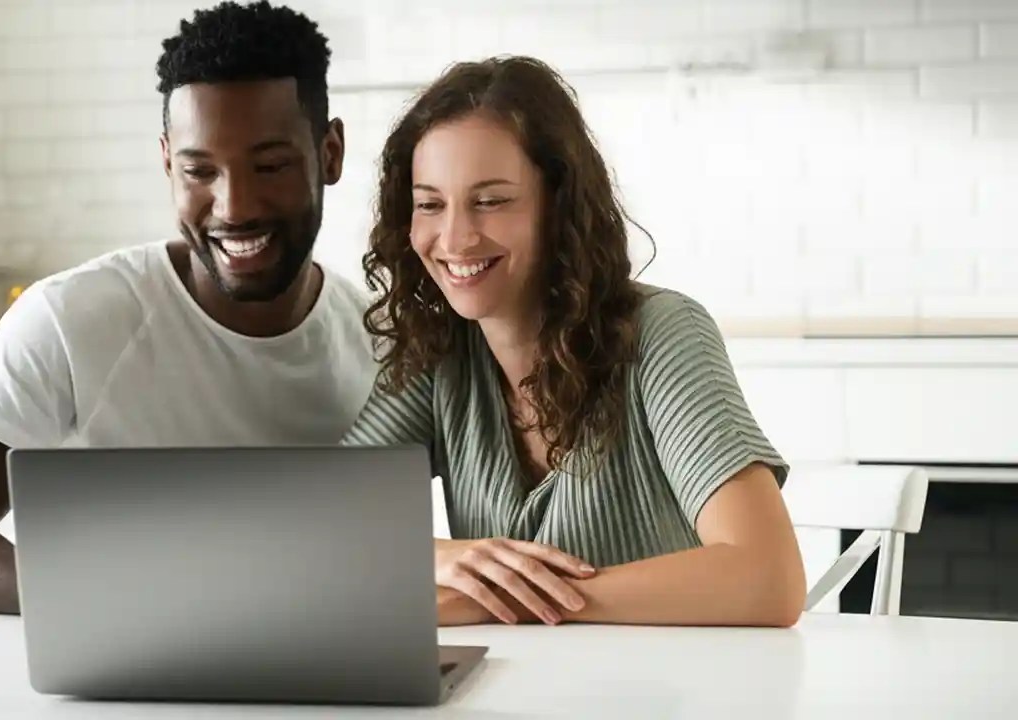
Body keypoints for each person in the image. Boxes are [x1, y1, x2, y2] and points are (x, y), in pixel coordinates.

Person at [0, 1, 377, 614]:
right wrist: (112, 598)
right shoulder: (73, 317)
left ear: (330, 153)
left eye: (269, 165)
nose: (234, 206)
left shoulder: (378, 338)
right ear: (167, 160)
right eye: (199, 171)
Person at [343, 56, 806, 628]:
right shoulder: (439, 354)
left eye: (491, 200)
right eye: (430, 204)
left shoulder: (663, 332)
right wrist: (439, 556)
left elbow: (770, 580)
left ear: (557, 205)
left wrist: (497, 600)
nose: (456, 238)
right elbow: (321, 529)